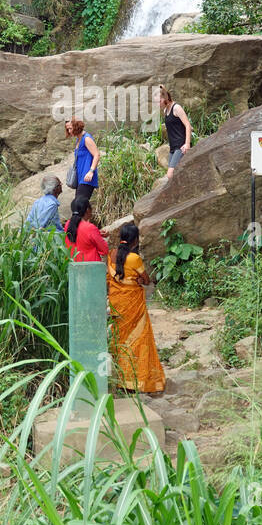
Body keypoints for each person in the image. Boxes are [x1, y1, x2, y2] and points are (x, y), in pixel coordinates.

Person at [106, 224, 165, 394]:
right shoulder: (134, 259)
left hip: (117, 302)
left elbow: (112, 277)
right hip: (134, 304)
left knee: (120, 338)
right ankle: (138, 380)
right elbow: (146, 280)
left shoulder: (112, 254)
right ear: (136, 240)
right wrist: (138, 280)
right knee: (139, 338)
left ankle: (120, 379)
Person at [156, 85, 193, 180]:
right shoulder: (165, 110)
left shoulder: (176, 108)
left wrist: (187, 144)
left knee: (170, 174)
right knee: (175, 174)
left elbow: (188, 125)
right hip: (173, 148)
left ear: (165, 98)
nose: (158, 104)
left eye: (159, 101)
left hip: (181, 146)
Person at [65, 118, 100, 206]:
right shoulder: (79, 139)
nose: (69, 131)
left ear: (76, 127)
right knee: (80, 205)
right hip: (81, 178)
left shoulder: (86, 138)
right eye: (67, 129)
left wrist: (91, 171)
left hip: (87, 177)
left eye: (70, 128)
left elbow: (97, 154)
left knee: (79, 205)